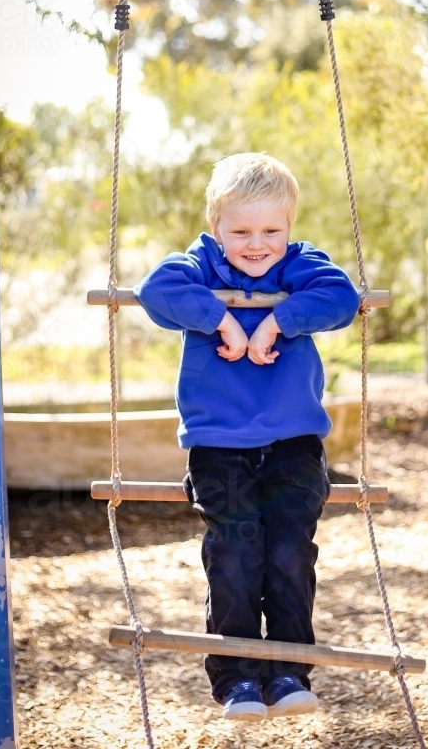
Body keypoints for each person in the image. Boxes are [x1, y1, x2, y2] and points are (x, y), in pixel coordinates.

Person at [135, 152, 360, 721]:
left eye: (271, 230)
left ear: (289, 227)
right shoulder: (201, 267)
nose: (256, 244)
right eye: (240, 230)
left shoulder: (300, 267)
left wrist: (278, 320)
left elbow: (341, 297)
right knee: (235, 552)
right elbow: (155, 290)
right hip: (219, 446)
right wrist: (223, 319)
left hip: (293, 444)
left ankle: (288, 670)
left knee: (288, 552)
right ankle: (235, 676)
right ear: (216, 229)